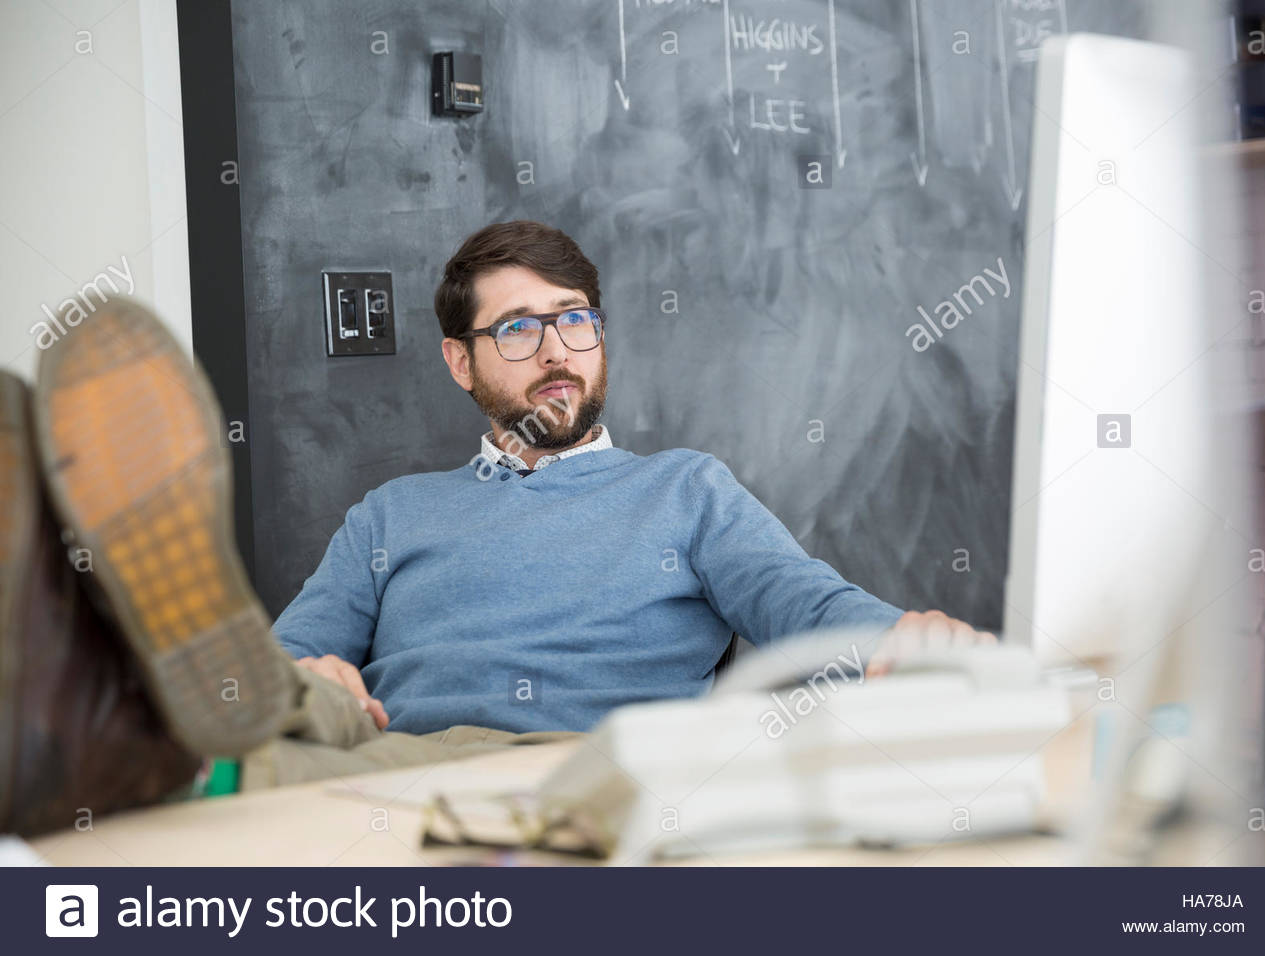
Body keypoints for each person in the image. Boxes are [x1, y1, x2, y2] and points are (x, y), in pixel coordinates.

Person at [0, 221, 991, 839]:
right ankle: (88, 684)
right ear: (459, 362)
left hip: (565, 765)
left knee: (248, 758)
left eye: (574, 319)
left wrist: (894, 640)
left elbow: (803, 604)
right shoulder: (392, 512)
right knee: (288, 701)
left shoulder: (686, 488)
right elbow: (282, 662)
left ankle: (82, 696)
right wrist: (320, 672)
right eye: (517, 328)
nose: (556, 348)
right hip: (378, 744)